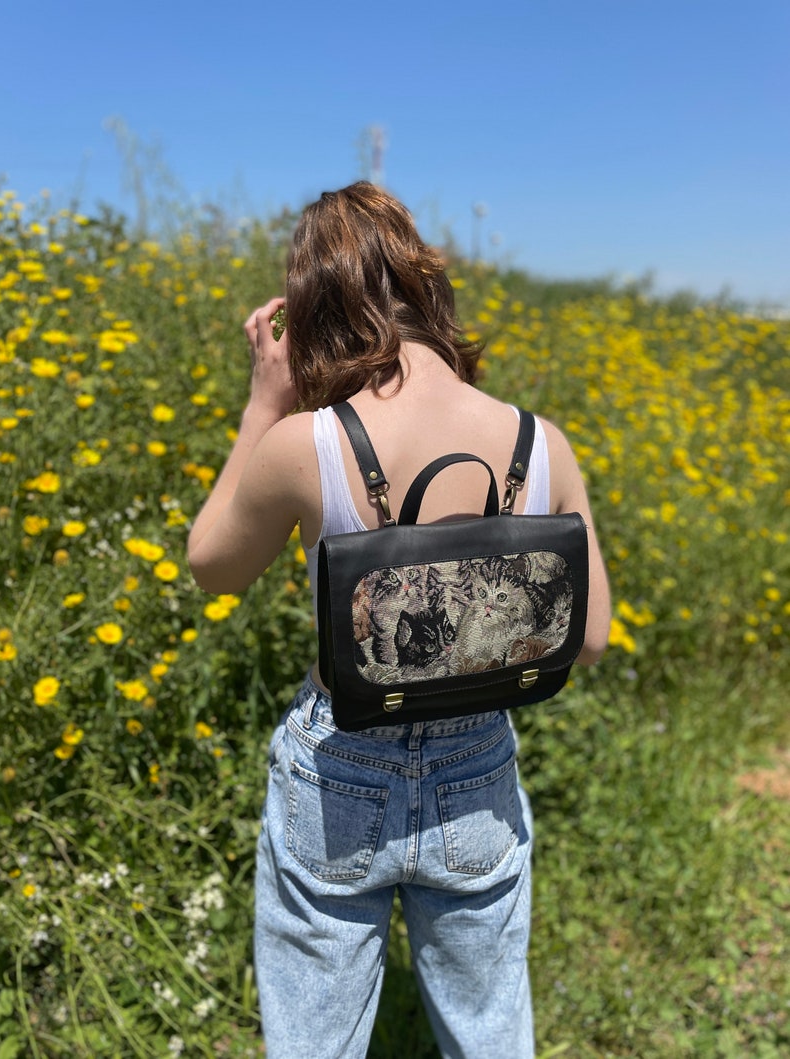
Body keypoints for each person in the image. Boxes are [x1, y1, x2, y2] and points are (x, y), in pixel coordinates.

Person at [187, 182, 611, 1059]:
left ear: (315, 307)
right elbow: (593, 636)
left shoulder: (306, 443)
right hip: (478, 761)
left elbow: (211, 567)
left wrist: (264, 401)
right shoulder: (540, 442)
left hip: (338, 765)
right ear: (427, 288)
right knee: (490, 1030)